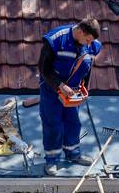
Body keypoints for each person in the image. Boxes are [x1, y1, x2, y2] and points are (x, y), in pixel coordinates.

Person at [38, 19, 101, 175]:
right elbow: (43, 68)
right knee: (53, 123)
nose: (89, 44)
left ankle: (73, 153)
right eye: (87, 40)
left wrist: (85, 89)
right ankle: (52, 160)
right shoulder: (56, 39)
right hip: (52, 89)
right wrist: (60, 85)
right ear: (80, 31)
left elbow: (88, 65)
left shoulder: (91, 44)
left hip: (73, 93)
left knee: (73, 122)